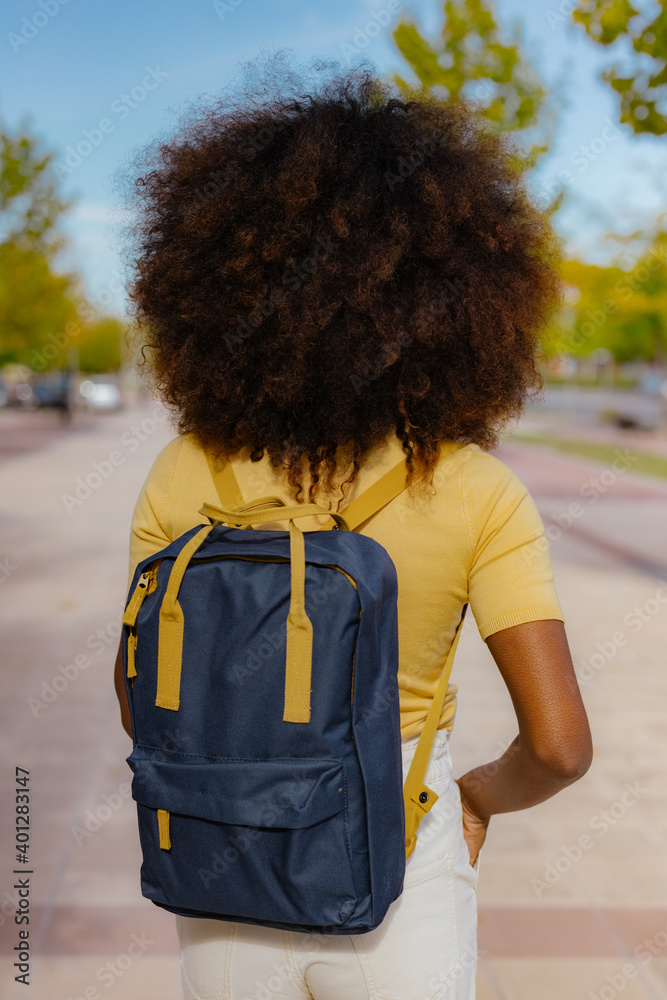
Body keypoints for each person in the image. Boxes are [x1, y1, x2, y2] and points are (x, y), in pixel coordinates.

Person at [113, 56, 593, 1000]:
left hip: (222, 878)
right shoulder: (474, 491)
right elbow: (559, 747)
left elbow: (142, 703)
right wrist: (475, 799)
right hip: (400, 874)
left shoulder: (185, 469)